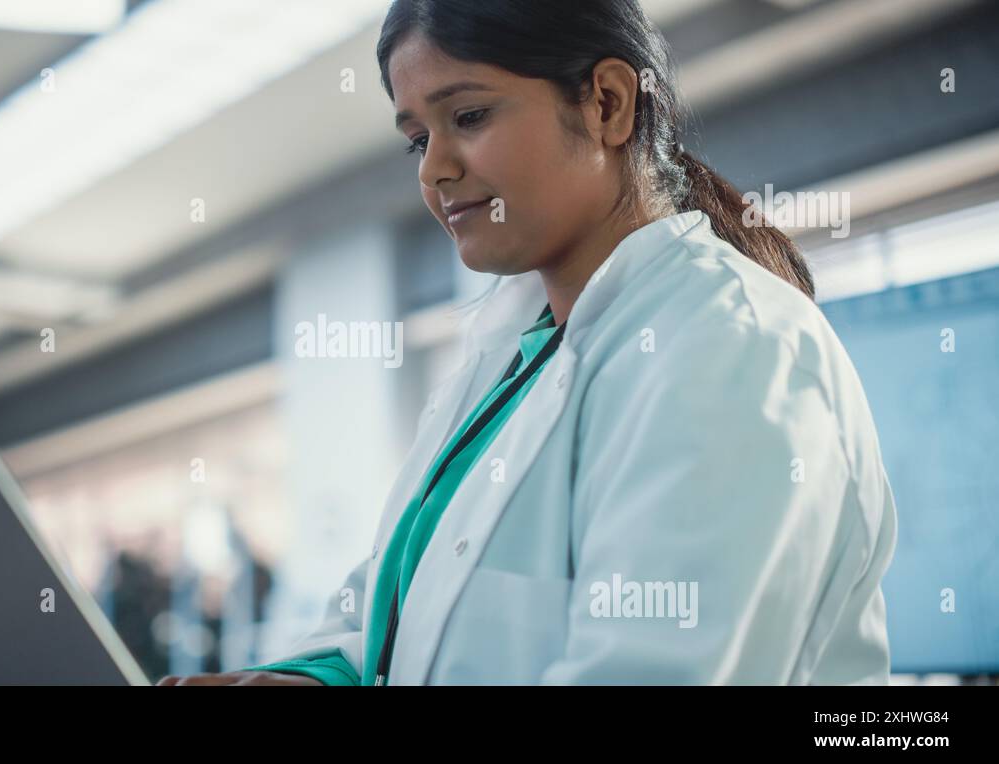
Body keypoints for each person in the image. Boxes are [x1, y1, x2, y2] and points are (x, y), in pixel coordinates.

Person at [158, 0, 897, 686]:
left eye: (469, 115)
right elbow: (389, 608)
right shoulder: (499, 369)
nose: (433, 167)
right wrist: (303, 680)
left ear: (607, 103)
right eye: (417, 138)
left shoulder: (730, 346)